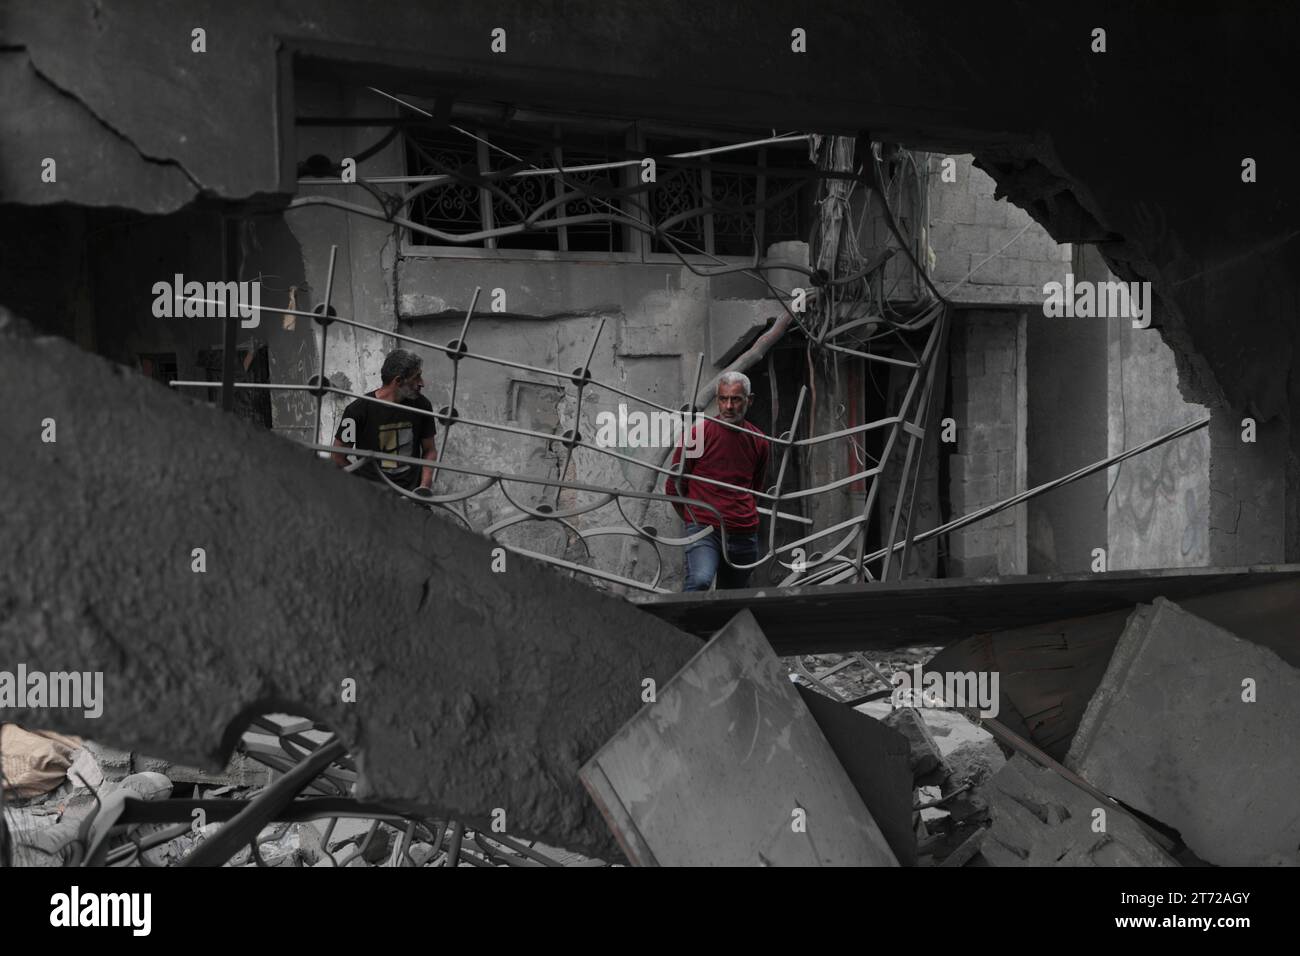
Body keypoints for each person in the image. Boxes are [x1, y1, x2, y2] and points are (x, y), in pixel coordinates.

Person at [665, 370, 770, 591]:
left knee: (733, 598)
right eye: (723, 399)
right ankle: (688, 626)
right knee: (699, 581)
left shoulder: (759, 441)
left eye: (736, 399)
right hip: (704, 529)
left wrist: (742, 514)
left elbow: (756, 489)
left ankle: (722, 628)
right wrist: (694, 519)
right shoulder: (697, 435)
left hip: (743, 533)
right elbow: (673, 486)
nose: (729, 406)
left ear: (749, 401)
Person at [331, 348, 437, 494]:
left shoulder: (422, 405)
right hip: (374, 502)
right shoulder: (357, 411)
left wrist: (424, 488)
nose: (422, 383)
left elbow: (429, 450)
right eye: (416, 377)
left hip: (412, 500)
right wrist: (365, 487)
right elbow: (337, 456)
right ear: (398, 381)